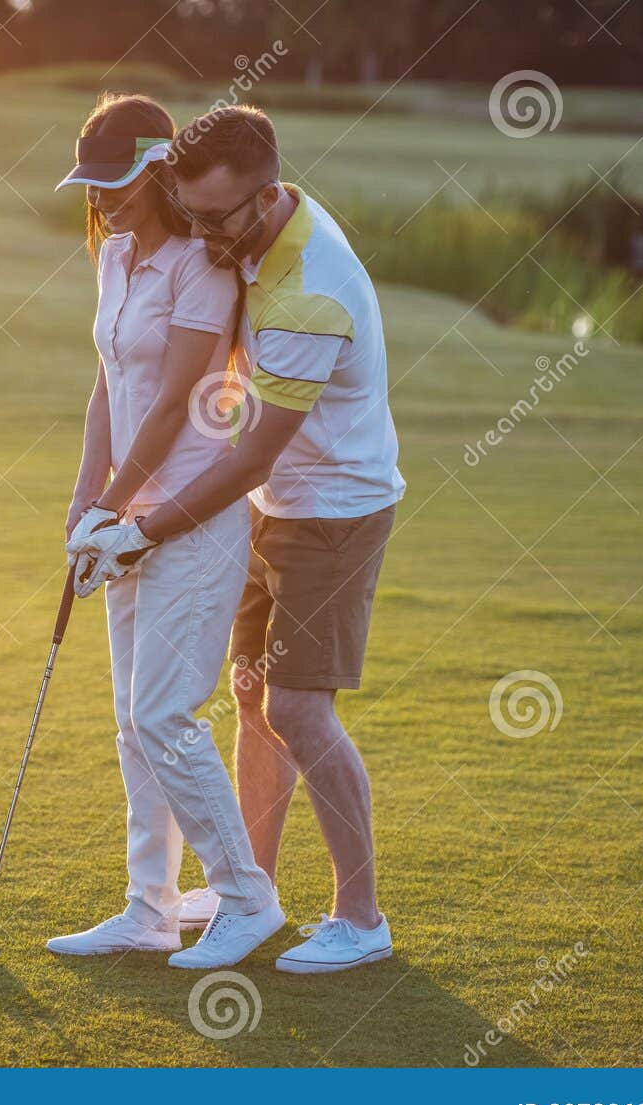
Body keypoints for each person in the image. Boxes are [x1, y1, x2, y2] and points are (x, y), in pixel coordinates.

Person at [69, 105, 404, 974]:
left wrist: (140, 527)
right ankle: (241, 887)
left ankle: (359, 918)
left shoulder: (308, 290)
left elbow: (256, 446)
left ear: (265, 197)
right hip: (270, 502)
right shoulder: (241, 233)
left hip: (333, 506)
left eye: (217, 217)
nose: (203, 231)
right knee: (251, 697)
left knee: (297, 707)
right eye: (193, 210)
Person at [51, 93, 284, 969]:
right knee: (129, 720)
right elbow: (110, 387)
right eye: (92, 182)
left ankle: (246, 897)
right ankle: (148, 908)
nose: (102, 196)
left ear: (156, 170)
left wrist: (116, 506)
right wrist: (85, 504)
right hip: (123, 519)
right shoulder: (114, 256)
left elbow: (181, 408)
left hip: (193, 516)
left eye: (116, 180)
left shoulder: (201, 264)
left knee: (165, 715)